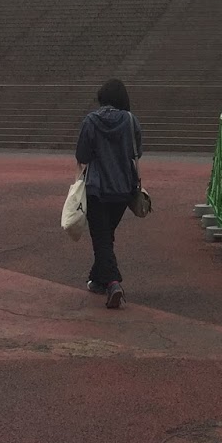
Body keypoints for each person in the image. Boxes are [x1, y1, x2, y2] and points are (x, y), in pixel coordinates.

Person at [74, 78, 143, 309]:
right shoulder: (131, 121)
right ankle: (97, 280)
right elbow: (138, 152)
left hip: (97, 188)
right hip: (124, 189)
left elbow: (82, 155)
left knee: (102, 236)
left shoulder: (91, 121)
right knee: (106, 235)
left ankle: (113, 283)